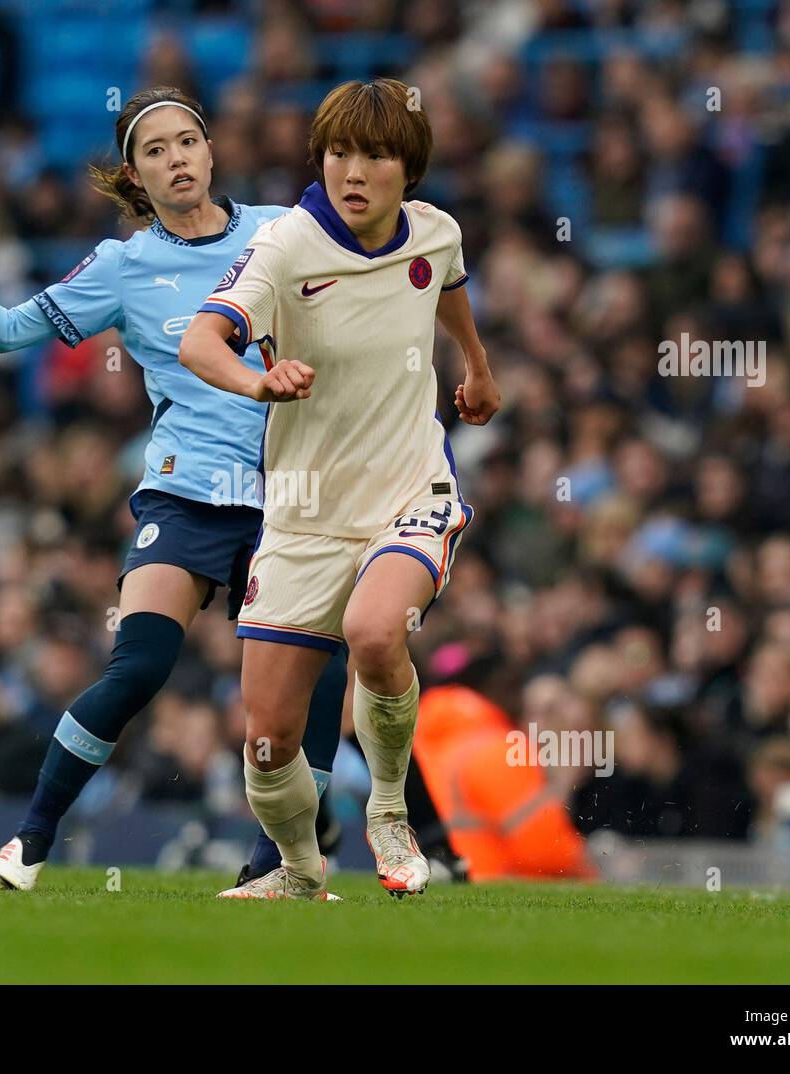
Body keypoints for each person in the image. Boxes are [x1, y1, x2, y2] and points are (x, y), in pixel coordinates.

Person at [0, 86, 347, 891]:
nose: (176, 158)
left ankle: (283, 867)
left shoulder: (282, 233)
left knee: (311, 684)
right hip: (186, 489)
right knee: (140, 665)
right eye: (156, 150)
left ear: (211, 151)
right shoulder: (123, 264)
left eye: (187, 141)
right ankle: (31, 841)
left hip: (292, 493)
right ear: (134, 175)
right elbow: (11, 332)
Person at [180, 78, 501, 900]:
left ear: (409, 169)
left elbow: (447, 281)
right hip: (303, 515)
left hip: (409, 490)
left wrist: (476, 364)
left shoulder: (434, 233)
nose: (352, 171)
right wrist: (258, 383)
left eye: (375, 155)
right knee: (266, 742)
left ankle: (390, 812)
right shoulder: (287, 246)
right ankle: (297, 867)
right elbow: (201, 341)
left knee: (372, 632)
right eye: (338, 152)